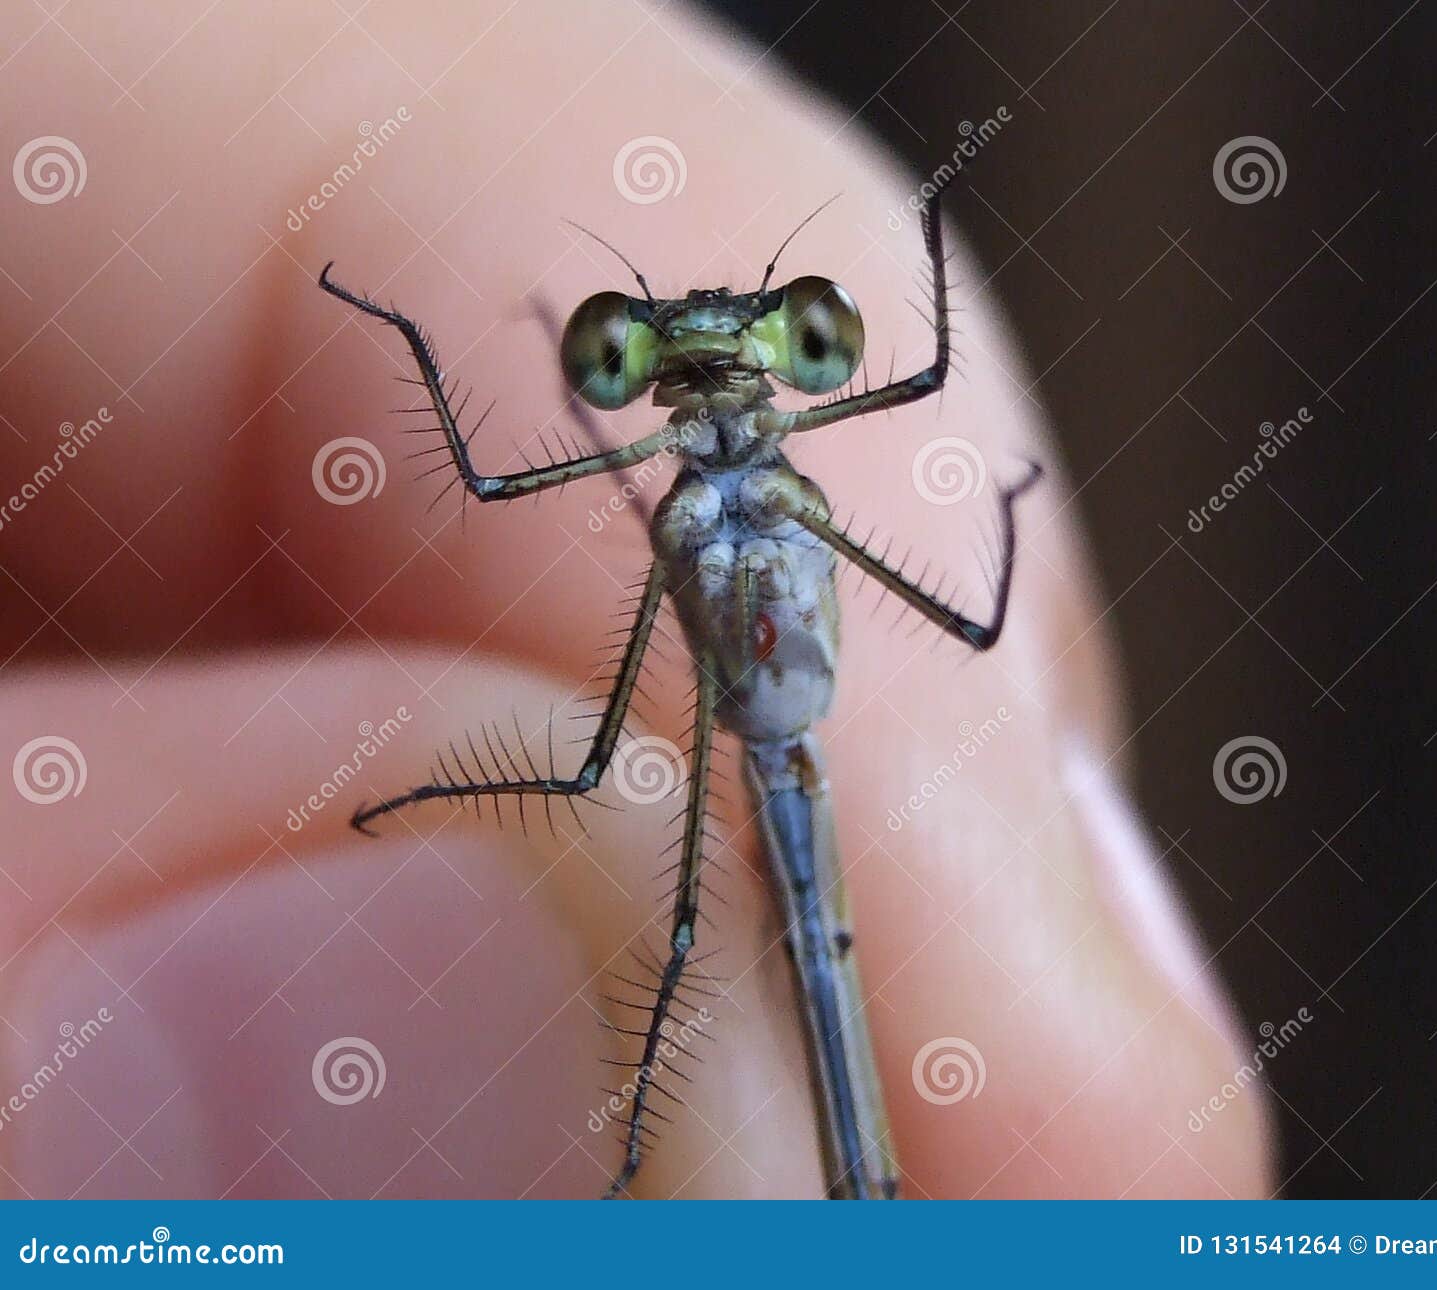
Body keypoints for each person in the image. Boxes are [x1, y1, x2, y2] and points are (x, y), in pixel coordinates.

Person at [0, 0, 1267, 1198]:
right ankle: (633, 1169)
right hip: (771, 759)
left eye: (779, 334)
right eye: (641, 348)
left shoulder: (676, 505)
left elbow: (928, 430)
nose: (719, 352)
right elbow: (509, 496)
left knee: (670, 910)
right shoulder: (681, 506)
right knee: (669, 926)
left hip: (791, 766)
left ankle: (655, 1175)